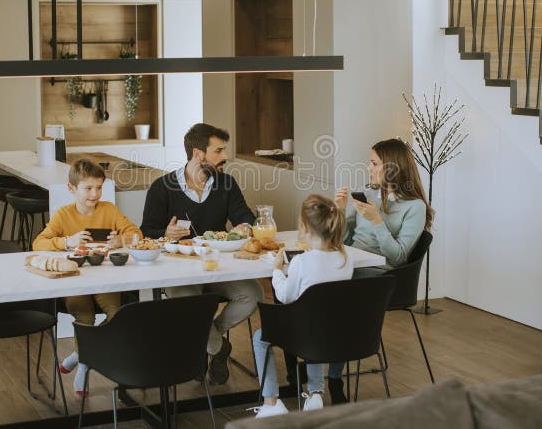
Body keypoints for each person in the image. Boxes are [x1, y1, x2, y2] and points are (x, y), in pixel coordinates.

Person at [140, 123, 262, 385]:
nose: (225, 156)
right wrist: (165, 233)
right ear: (198, 154)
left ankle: (206, 340)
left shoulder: (226, 184)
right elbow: (146, 232)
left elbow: (245, 217)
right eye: (218, 151)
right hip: (179, 272)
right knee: (190, 307)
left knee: (253, 294)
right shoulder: (162, 188)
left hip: (218, 267)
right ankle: (218, 348)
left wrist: (245, 226)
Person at [327, 137, 434, 403]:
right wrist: (340, 212)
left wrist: (377, 220)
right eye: (370, 162)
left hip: (381, 275)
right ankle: (306, 365)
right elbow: (343, 241)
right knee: (305, 281)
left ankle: (332, 378)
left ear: (393, 167)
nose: (368, 168)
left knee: (333, 297)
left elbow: (398, 258)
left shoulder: (415, 208)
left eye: (374, 163)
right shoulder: (369, 195)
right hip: (351, 265)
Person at [33, 158, 142, 397]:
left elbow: (136, 233)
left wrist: (121, 240)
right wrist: (67, 241)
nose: (95, 194)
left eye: (99, 188)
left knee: (117, 315)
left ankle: (80, 358)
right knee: (84, 316)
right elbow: (38, 243)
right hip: (74, 279)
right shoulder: (64, 215)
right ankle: (84, 364)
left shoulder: (109, 210)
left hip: (105, 278)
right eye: (88, 188)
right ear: (72, 188)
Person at [251, 194, 353, 418]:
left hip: (306, 335)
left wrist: (277, 270)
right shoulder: (345, 259)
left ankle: (271, 402)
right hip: (337, 332)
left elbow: (285, 296)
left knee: (260, 338)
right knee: (316, 320)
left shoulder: (301, 262)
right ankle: (315, 394)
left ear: (306, 229)